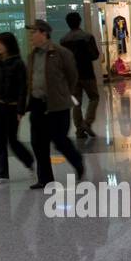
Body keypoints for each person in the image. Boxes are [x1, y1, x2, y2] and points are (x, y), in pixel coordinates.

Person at [26, 20, 84, 189]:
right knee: (38, 142)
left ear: (43, 33)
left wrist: (62, 93)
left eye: (33, 32)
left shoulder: (61, 53)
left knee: (59, 139)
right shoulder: (31, 56)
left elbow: (72, 76)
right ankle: (45, 178)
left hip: (57, 105)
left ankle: (77, 161)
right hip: (37, 104)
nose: (31, 36)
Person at [0, 31, 33, 185]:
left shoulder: (18, 63)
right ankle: (2, 173)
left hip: (11, 107)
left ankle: (28, 159)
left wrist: (20, 109)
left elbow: (22, 88)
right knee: (0, 141)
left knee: (12, 139)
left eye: (0, 42)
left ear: (7, 45)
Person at [60, 11, 100, 139]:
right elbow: (95, 55)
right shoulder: (87, 37)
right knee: (94, 97)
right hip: (87, 73)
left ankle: (79, 129)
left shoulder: (63, 40)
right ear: (80, 21)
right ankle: (87, 123)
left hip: (72, 76)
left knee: (76, 102)